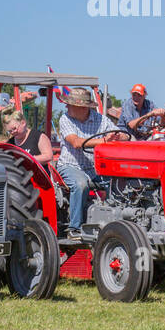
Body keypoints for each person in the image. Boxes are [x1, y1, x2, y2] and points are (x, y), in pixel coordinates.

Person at [56, 87, 118, 233]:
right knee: (80, 184)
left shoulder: (101, 120)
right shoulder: (65, 119)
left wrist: (117, 136)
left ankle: (113, 221)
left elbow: (119, 133)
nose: (66, 106)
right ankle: (75, 227)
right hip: (71, 165)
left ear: (82, 108)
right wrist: (103, 140)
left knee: (116, 182)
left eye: (70, 104)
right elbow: (76, 142)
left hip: (94, 168)